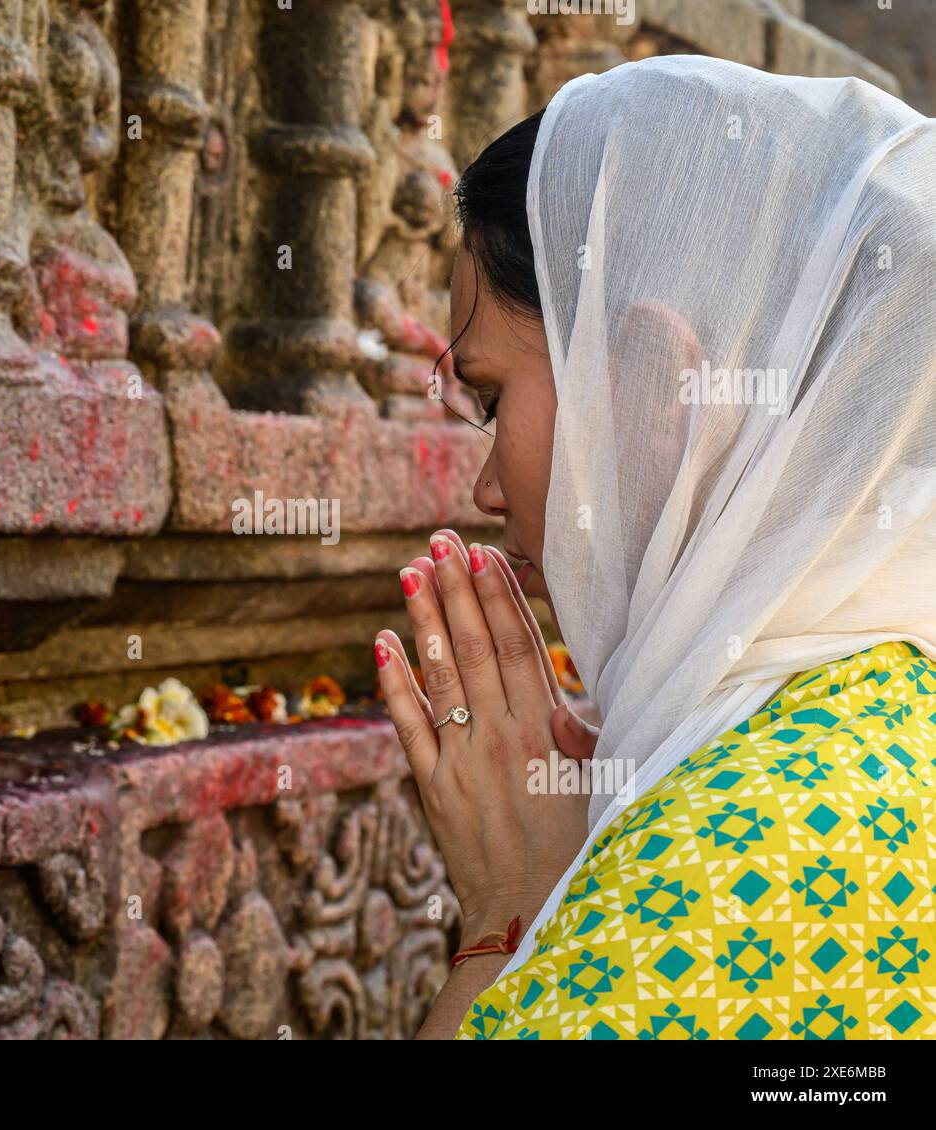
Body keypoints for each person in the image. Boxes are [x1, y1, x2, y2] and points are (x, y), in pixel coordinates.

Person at [373, 55, 936, 1040]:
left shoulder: (732, 854)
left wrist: (509, 918)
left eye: (493, 398)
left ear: (657, 379)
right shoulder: (888, 705)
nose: (484, 487)